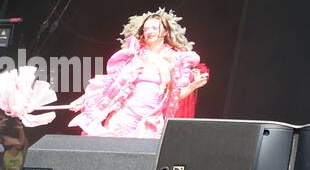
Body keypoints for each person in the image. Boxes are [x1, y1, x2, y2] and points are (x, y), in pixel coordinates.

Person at [68, 8, 207, 138]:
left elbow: (175, 95)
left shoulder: (175, 60)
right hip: (125, 117)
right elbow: (111, 83)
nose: (149, 31)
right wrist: (84, 100)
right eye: (146, 29)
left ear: (165, 32)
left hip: (151, 120)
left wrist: (193, 86)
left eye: (154, 28)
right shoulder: (134, 57)